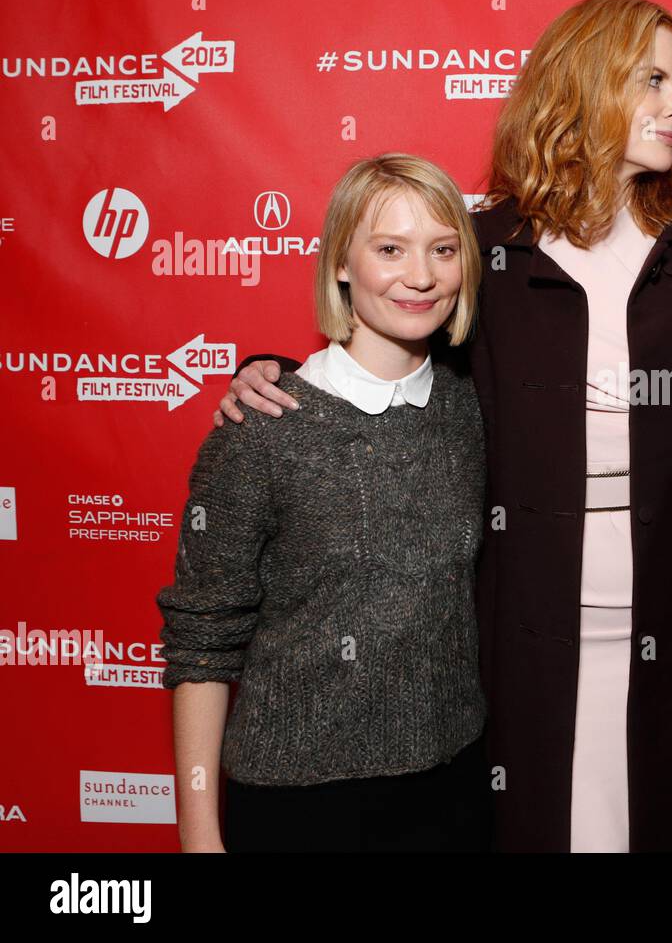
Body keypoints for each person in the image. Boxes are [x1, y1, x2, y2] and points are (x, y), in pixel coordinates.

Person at [215, 0, 672, 852]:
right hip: (518, 633)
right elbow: (398, 342)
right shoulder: (486, 250)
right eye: (653, 81)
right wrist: (275, 371)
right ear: (584, 87)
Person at [159, 153, 489, 852]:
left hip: (455, 790)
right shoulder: (263, 426)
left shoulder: (469, 406)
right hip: (298, 803)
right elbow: (202, 640)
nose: (421, 275)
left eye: (443, 249)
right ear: (342, 262)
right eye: (390, 249)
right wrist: (197, 833)